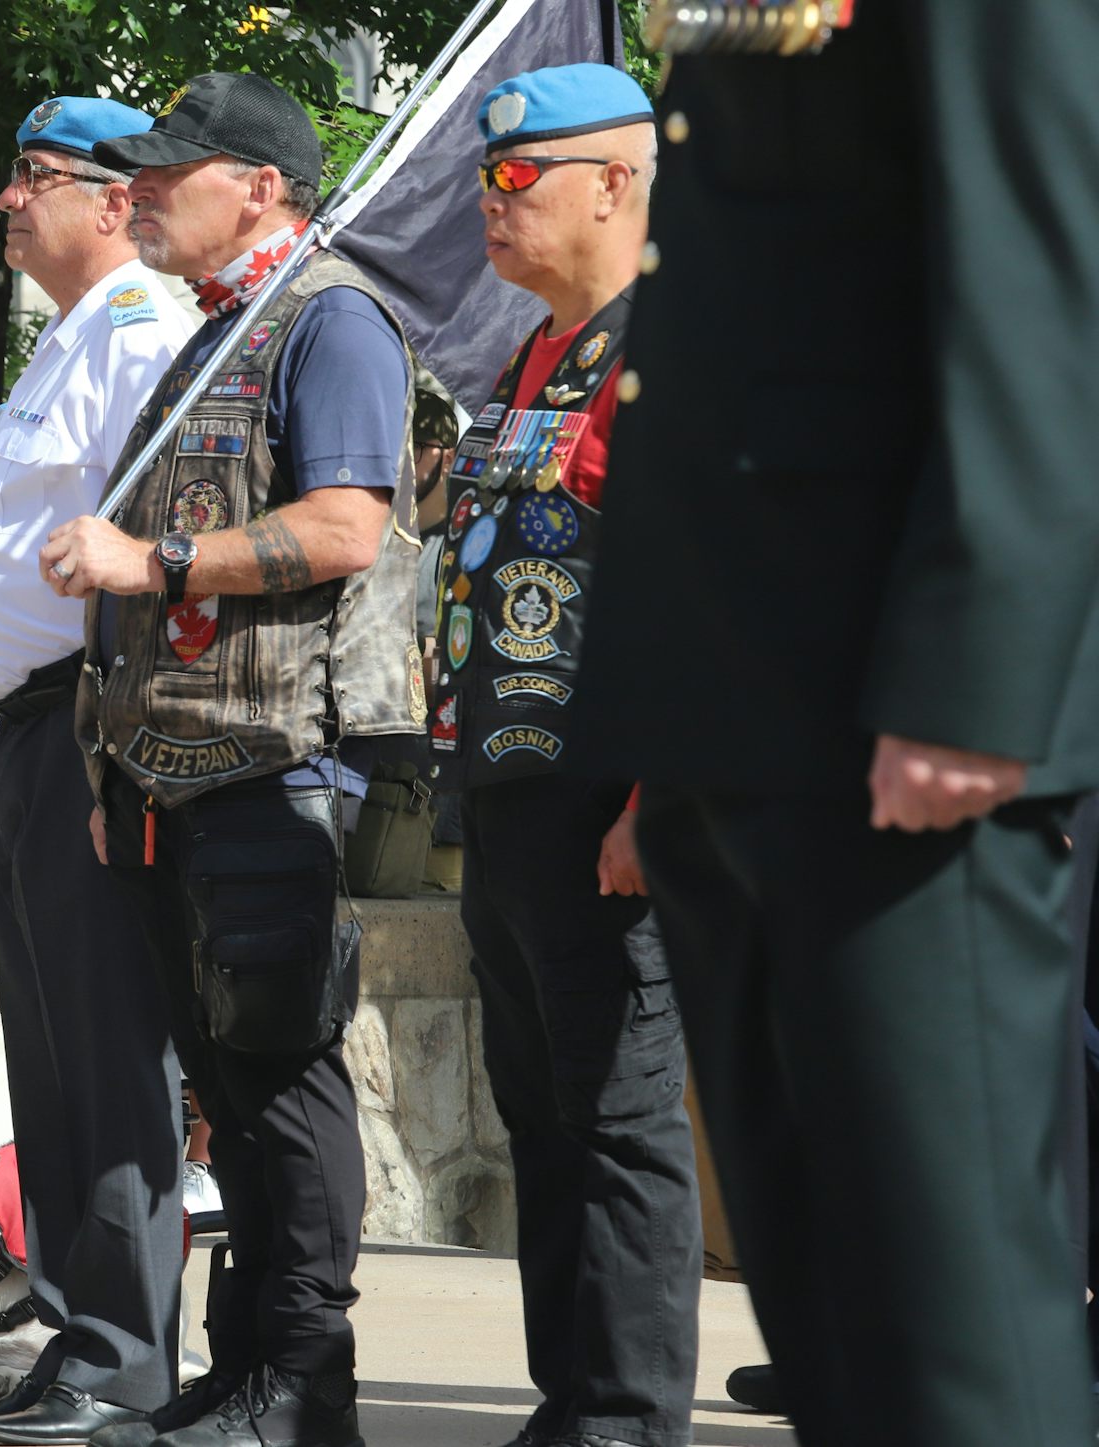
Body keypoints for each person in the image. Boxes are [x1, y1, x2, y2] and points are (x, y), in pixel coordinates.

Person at [571, 6, 1099, 1445]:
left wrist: (975, 670)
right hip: (733, 690)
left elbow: (1047, 265)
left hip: (895, 702)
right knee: (830, 1311)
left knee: (956, 1319)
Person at [41, 72, 422, 1447]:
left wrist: (155, 558)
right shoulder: (213, 332)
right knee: (227, 1080)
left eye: (172, 170)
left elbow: (343, 527)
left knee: (282, 1071)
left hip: (273, 762)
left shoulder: (329, 319)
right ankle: (243, 1363)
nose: (139, 190)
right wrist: (108, 766)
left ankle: (307, 1380)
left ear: (261, 186)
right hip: (166, 770)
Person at [0, 95, 196, 1447]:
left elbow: (152, 541)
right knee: (57, 1058)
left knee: (112, 1051)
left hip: (91, 721)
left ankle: (129, 1356)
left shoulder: (142, 333)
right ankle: (81, 1333)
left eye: (36, 178)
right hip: (20, 725)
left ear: (113, 199)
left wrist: (106, 745)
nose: (7, 201)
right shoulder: (66, 340)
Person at [421, 65, 701, 1447]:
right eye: (485, 179)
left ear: (616, 182)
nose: (491, 203)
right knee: (539, 1108)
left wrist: (657, 797)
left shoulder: (675, 343)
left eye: (515, 178)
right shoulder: (537, 356)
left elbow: (701, 586)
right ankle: (569, 1393)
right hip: (509, 785)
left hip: (606, 798)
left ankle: (633, 1414)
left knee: (621, 1116)